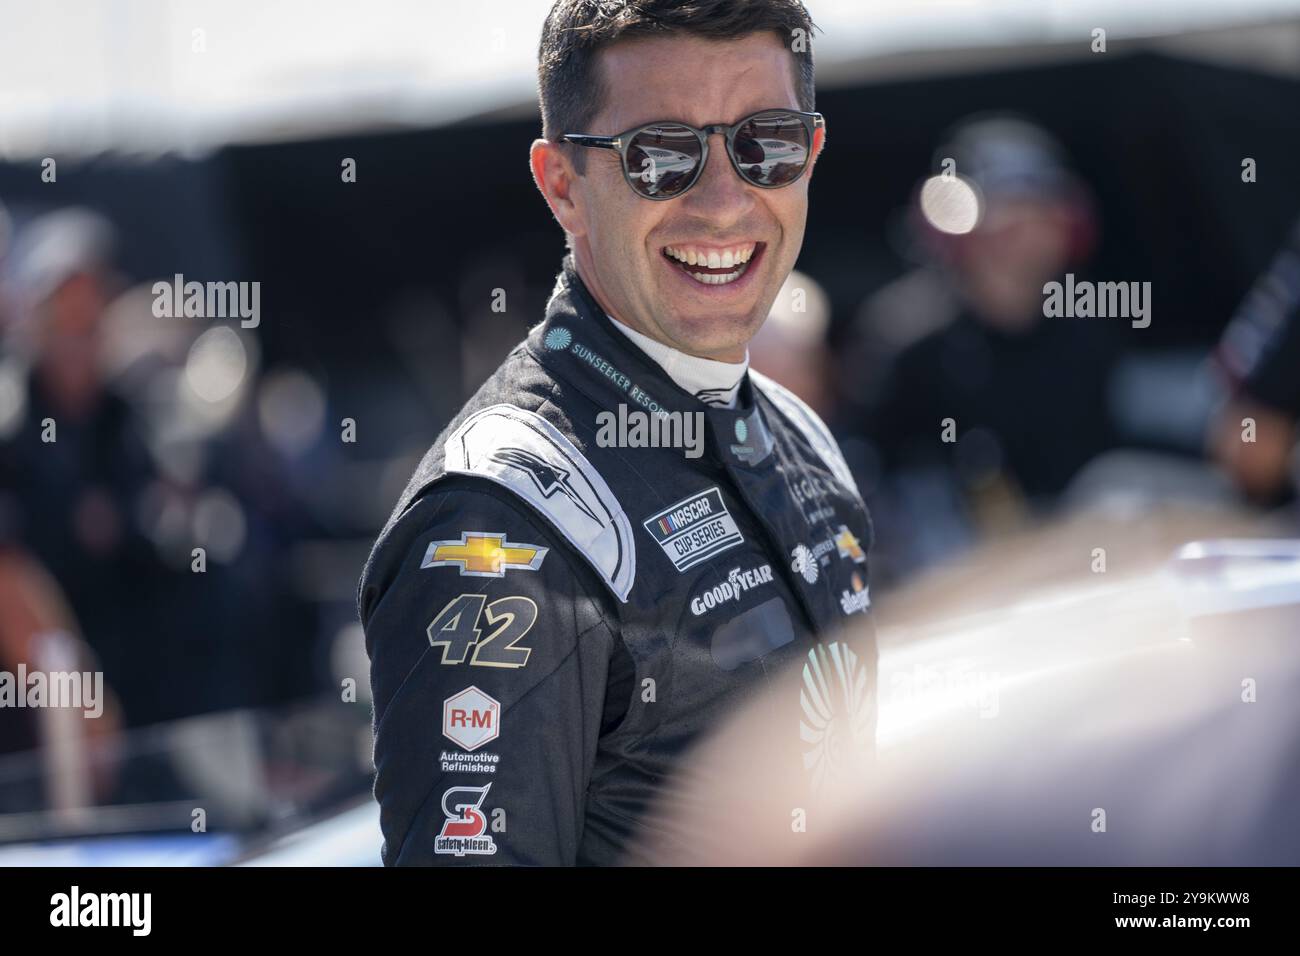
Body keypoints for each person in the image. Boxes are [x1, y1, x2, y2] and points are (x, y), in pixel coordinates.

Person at [358, 0, 877, 866]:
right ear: (562, 185)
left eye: (766, 143)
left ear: (811, 154)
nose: (724, 203)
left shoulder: (805, 443)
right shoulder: (502, 521)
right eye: (660, 155)